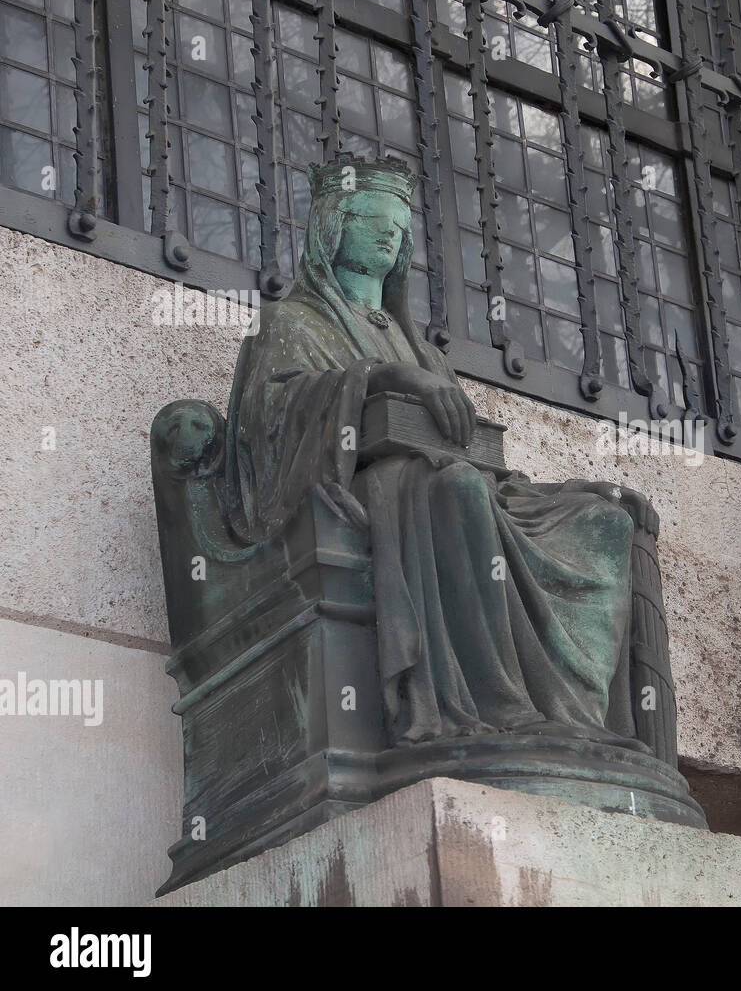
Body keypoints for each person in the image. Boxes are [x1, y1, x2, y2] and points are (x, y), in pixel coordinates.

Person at [222, 154, 645, 750]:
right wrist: (379, 377)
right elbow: (270, 421)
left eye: (399, 225)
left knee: (603, 522)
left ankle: (575, 715)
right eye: (373, 220)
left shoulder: (419, 345)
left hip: (450, 479)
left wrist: (573, 490)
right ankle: (498, 703)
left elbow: (463, 441)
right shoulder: (291, 322)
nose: (390, 233)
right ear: (332, 226)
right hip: (365, 492)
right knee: (456, 489)